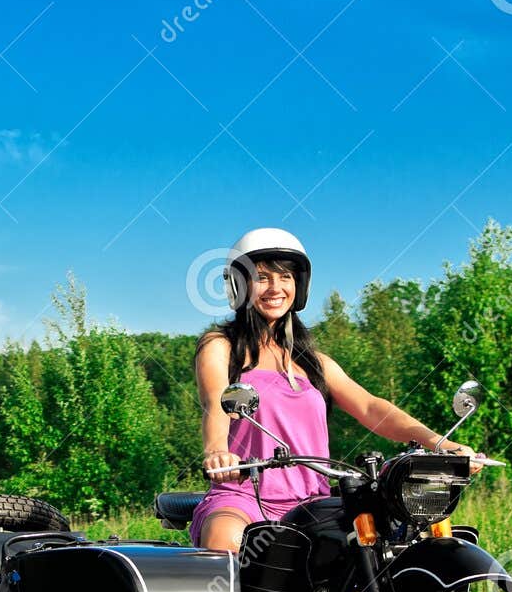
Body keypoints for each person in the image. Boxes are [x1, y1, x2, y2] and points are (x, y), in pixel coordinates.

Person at [190, 227, 478, 553]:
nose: (275, 287)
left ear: (299, 286)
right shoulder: (222, 348)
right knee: (225, 540)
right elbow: (216, 403)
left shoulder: (314, 363)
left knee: (381, 547)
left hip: (314, 502)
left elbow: (371, 407)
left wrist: (441, 443)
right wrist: (216, 451)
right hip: (243, 495)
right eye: (262, 277)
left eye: (284, 276)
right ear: (239, 285)